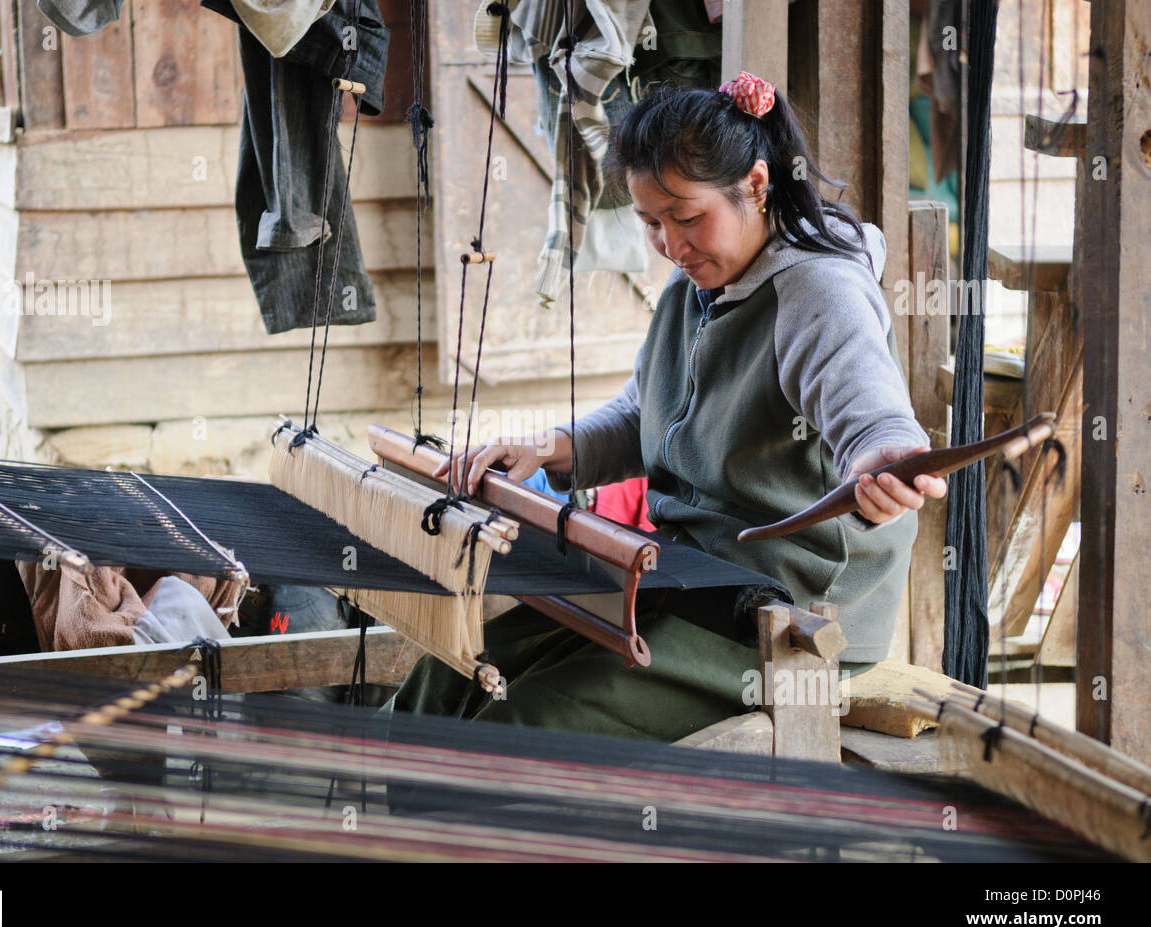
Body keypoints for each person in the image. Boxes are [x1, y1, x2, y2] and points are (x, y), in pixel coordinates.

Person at [390, 73, 947, 742]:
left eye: (686, 218)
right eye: (651, 223)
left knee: (528, 721)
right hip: (684, 572)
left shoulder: (818, 291)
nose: (670, 246)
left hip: (786, 612)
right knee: (449, 669)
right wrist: (548, 446)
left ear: (758, 184)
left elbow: (870, 408)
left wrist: (884, 455)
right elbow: (646, 413)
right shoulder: (700, 286)